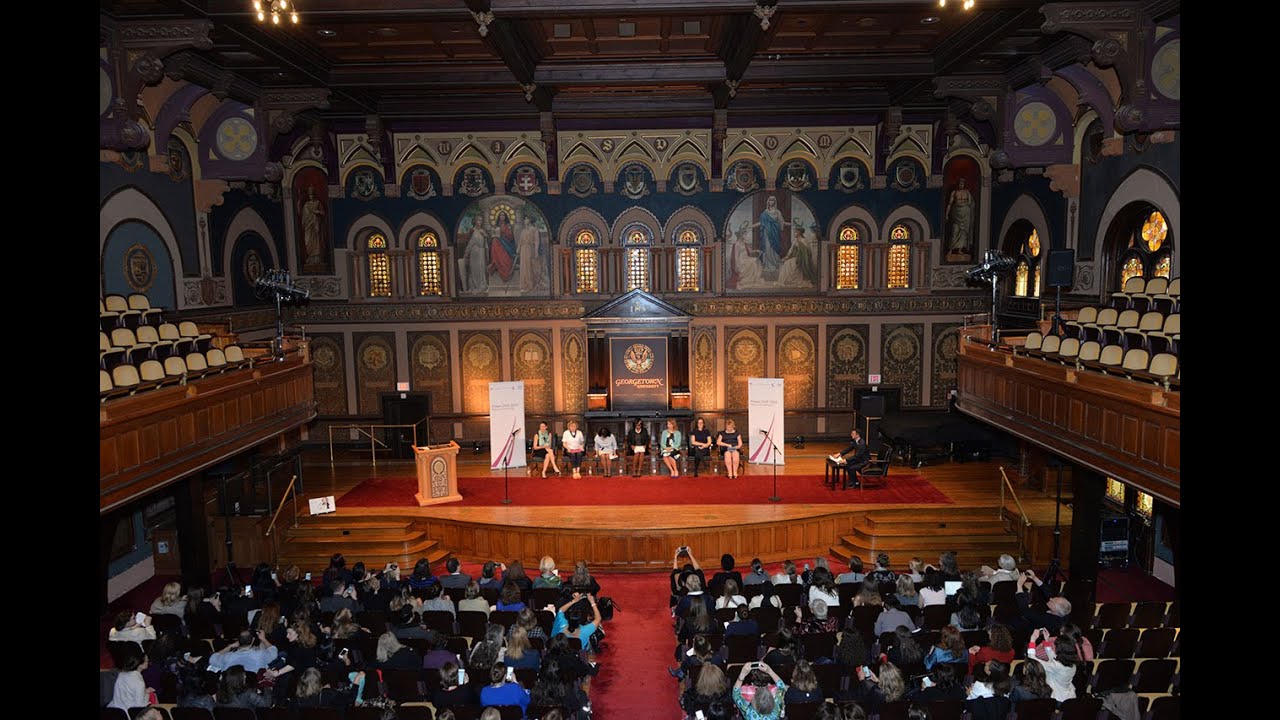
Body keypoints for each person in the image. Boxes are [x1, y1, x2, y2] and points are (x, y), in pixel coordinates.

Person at [1025, 629, 1078, 702]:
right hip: (1069, 696)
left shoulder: (1057, 666)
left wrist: (1032, 639)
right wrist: (1046, 641)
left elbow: (1032, 659)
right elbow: (1053, 657)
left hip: (1057, 698)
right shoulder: (1072, 664)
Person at [208, 629, 278, 673]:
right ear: (253, 640)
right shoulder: (260, 655)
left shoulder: (228, 656)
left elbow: (212, 659)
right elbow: (274, 652)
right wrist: (263, 639)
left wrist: (229, 646)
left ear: (238, 641)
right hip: (253, 688)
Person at [945, 177, 974, 258]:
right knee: (955, 231)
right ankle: (950, 249)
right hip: (956, 213)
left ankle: (960, 250)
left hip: (965, 213)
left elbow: (971, 204)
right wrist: (946, 214)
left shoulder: (967, 192)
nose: (961, 185)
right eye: (960, 184)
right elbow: (950, 204)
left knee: (963, 233)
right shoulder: (954, 192)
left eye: (962, 184)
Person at [299, 185, 326, 267]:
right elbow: (303, 215)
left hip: (316, 225)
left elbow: (323, 213)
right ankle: (310, 257)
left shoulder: (318, 203)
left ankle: (317, 258)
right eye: (310, 194)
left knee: (317, 242)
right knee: (308, 242)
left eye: (312, 194)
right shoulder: (306, 205)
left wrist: (317, 212)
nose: (311, 196)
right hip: (308, 226)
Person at [463, 216, 490, 293]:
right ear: (475, 221)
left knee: (481, 269)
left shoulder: (483, 231)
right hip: (474, 252)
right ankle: (474, 286)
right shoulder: (472, 231)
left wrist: (485, 236)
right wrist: (466, 253)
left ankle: (482, 286)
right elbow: (469, 242)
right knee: (474, 269)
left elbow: (487, 243)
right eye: (478, 220)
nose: (480, 222)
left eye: (481, 220)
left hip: (481, 252)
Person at [516, 213, 541, 292]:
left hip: (530, 249)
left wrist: (536, 252)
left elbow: (537, 241)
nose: (524, 220)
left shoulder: (534, 229)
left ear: (529, 220)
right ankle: (523, 285)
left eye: (526, 219)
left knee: (529, 267)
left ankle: (529, 286)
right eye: (524, 219)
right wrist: (518, 248)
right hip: (523, 250)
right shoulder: (523, 230)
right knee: (523, 267)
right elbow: (520, 241)